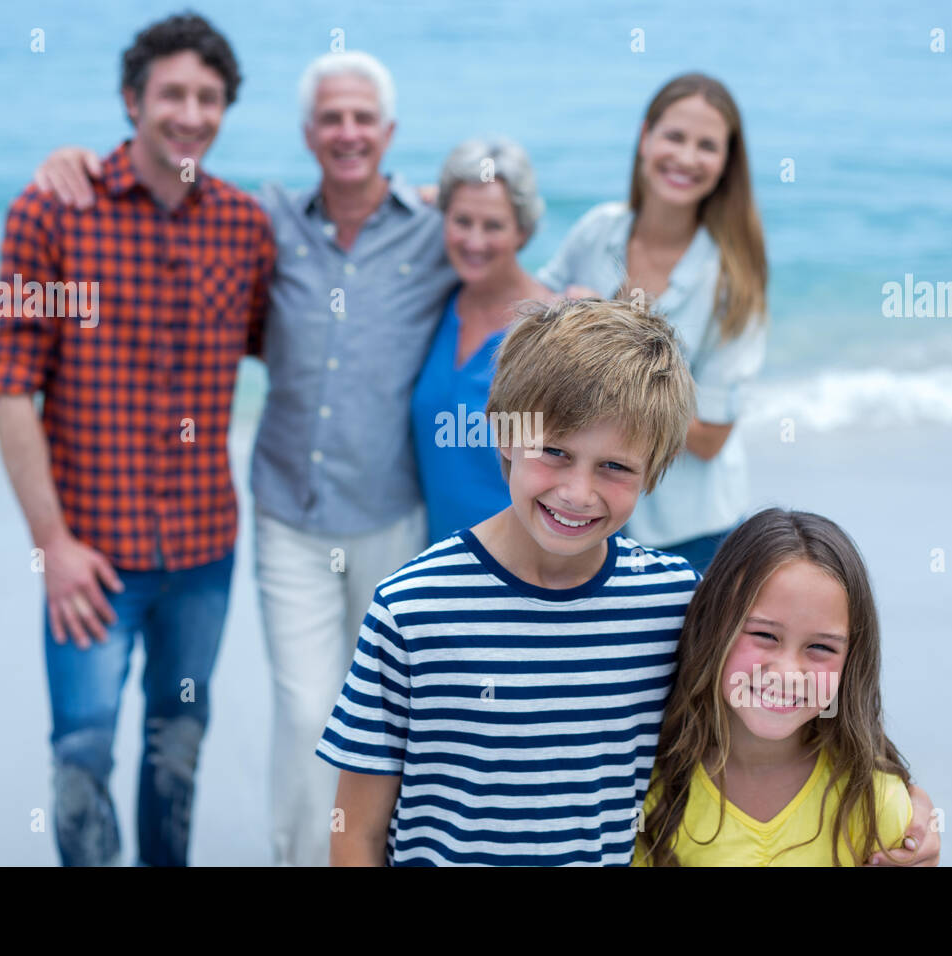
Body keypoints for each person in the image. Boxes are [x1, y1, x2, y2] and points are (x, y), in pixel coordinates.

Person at [32, 51, 458, 866]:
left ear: (390, 131)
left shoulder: (437, 230)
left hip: (395, 512)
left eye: (363, 117)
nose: (347, 132)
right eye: (330, 118)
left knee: (400, 717)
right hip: (287, 514)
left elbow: (503, 244)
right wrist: (73, 158)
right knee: (307, 715)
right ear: (306, 133)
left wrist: (570, 295)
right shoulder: (265, 223)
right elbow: (177, 216)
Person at [0, 13, 275, 866]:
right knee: (82, 755)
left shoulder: (244, 227)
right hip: (91, 556)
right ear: (131, 100)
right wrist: (54, 546)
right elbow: (10, 389)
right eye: (172, 94)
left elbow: (296, 344)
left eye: (208, 97)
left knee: (176, 748)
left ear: (225, 110)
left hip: (202, 551)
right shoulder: (54, 211)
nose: (190, 113)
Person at [319, 298, 701, 865]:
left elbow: (762, 744)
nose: (577, 492)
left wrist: (877, 824)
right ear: (502, 433)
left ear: (656, 468)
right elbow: (355, 830)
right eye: (554, 452)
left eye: (614, 467)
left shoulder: (672, 603)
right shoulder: (412, 608)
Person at [538, 73, 768, 574]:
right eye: (674, 136)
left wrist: (609, 345)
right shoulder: (597, 231)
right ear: (645, 138)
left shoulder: (733, 278)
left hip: (691, 533)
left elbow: (709, 440)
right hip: (584, 515)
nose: (686, 157)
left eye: (707, 146)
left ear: (727, 162)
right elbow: (531, 309)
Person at [635, 509, 913, 866]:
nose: (787, 673)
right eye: (764, 635)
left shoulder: (876, 804)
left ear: (852, 662)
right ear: (712, 628)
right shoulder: (652, 791)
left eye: (820, 647)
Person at [411, 138, 556, 544]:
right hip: (439, 562)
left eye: (493, 225)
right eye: (462, 221)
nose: (474, 241)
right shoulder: (437, 304)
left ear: (523, 233)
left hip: (528, 565)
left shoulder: (552, 329)